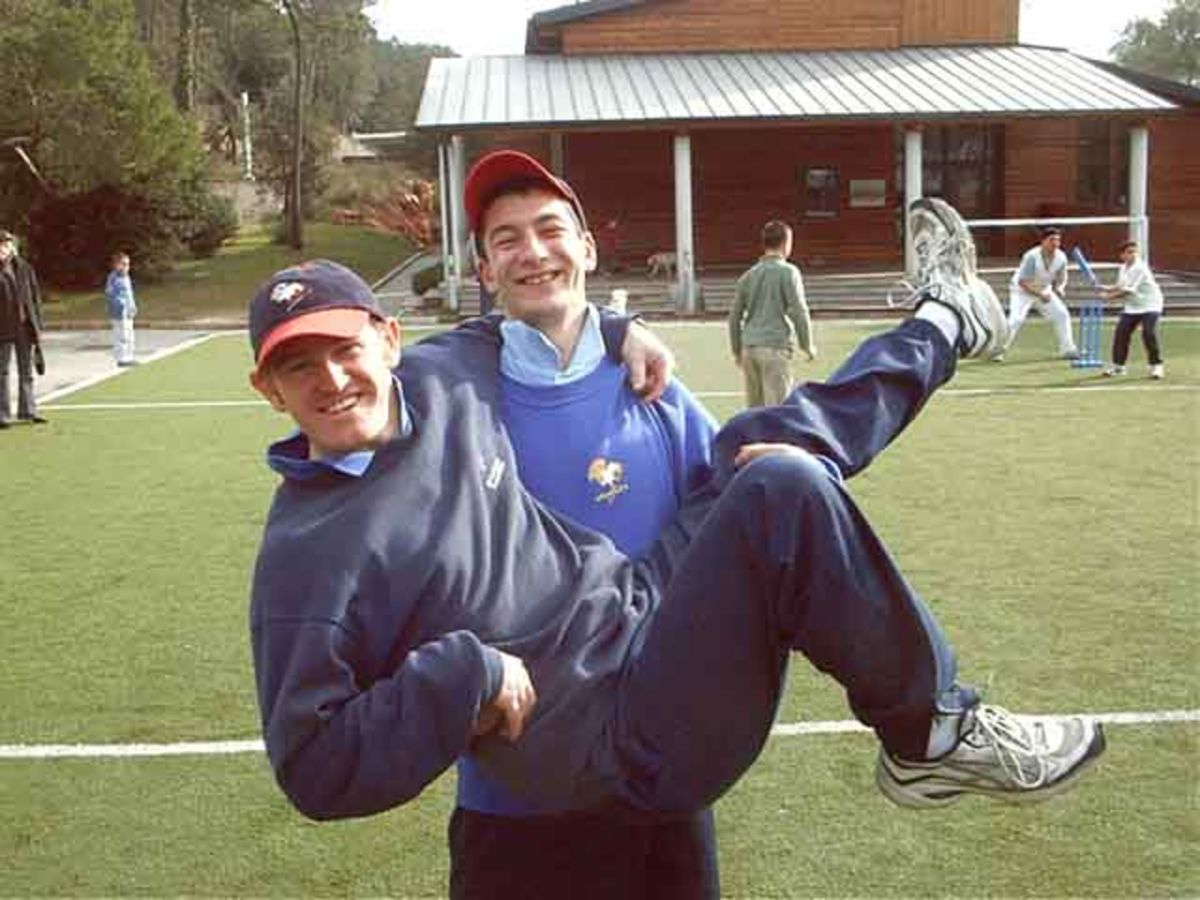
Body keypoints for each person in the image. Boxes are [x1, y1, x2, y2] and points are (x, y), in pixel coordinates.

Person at [246, 195, 1105, 848]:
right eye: (296, 366)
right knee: (786, 491)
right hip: (620, 735)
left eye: (343, 349)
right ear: (268, 391)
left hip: (641, 607)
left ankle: (944, 321)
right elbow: (313, 766)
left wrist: (623, 326)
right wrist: (459, 676)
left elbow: (541, 307)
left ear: (389, 341)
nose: (330, 381)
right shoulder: (307, 555)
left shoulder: (443, 374)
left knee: (766, 450)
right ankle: (931, 732)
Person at [451, 151, 721, 899]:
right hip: (514, 795)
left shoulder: (656, 388)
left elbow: (731, 510)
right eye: (506, 239)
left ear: (589, 248)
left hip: (659, 775)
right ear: (483, 269)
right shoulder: (458, 405)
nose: (532, 252)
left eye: (549, 229)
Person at [728, 220, 815, 407]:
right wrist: (807, 344)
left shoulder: (748, 276)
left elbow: (734, 317)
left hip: (749, 347)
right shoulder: (788, 272)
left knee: (755, 411)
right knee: (776, 411)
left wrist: (736, 350)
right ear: (786, 243)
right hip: (774, 346)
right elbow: (799, 310)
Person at [994, 226, 1079, 362]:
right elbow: (1023, 282)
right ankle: (997, 351)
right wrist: (1041, 295)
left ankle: (1068, 349)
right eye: (1052, 240)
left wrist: (1060, 288)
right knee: (1015, 320)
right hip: (1021, 291)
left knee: (1062, 314)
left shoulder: (1061, 257)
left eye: (1058, 240)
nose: (1055, 244)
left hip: (1044, 289)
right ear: (1043, 241)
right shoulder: (1031, 257)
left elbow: (1062, 276)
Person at [0, 229, 47, 428]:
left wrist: (38, 325)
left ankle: (28, 410)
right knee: (1, 371)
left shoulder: (25, 268)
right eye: (2, 244)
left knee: (26, 370)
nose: (5, 247)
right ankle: (2, 414)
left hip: (25, 326)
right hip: (2, 327)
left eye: (8, 244)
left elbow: (34, 298)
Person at [1100, 240, 1165, 379]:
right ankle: (1119, 367)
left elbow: (1128, 291)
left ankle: (1156, 366)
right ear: (1122, 255)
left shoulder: (1140, 268)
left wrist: (1108, 296)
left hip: (1151, 304)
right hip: (1133, 306)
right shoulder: (1123, 268)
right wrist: (1107, 288)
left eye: (1134, 252)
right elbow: (1120, 285)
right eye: (1129, 252)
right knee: (1121, 334)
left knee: (1148, 333)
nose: (1133, 255)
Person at [104, 252, 139, 367]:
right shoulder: (113, 278)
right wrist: (121, 306)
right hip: (119, 312)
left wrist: (132, 305)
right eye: (123, 264)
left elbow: (129, 293)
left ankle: (130, 355)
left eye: (127, 265)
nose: (126, 267)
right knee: (121, 335)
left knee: (130, 334)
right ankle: (122, 358)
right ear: (116, 265)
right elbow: (111, 295)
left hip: (128, 311)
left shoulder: (126, 278)